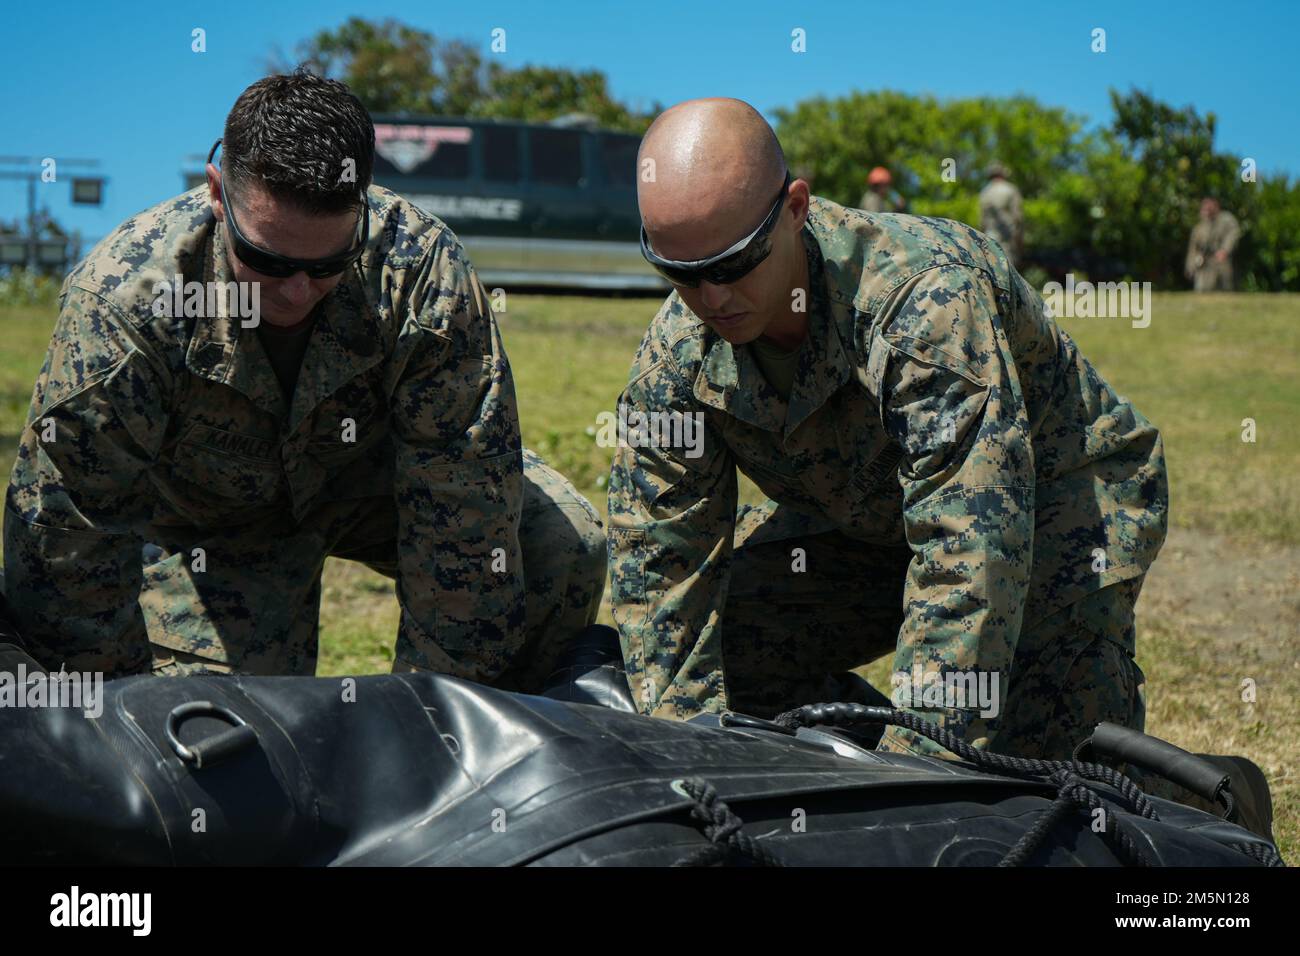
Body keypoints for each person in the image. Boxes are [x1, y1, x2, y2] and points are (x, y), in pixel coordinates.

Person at [3, 69, 605, 688]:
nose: (296, 292)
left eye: (327, 265)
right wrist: (118, 727)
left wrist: (442, 727)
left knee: (558, 541)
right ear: (217, 193)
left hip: (370, 488)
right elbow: (66, 535)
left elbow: (466, 508)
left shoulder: (422, 274)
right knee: (229, 738)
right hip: (209, 524)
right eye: (267, 260)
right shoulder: (126, 298)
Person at [610, 97, 1168, 760]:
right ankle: (846, 760)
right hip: (870, 521)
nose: (713, 300)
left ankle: (1207, 810)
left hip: (1058, 510)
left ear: (794, 210)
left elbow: (973, 547)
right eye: (681, 274)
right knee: (727, 644)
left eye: (734, 265)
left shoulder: (925, 304)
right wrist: (686, 756)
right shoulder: (674, 360)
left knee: (1041, 778)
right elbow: (661, 565)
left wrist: (915, 765)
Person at [1185, 197, 1241, 291]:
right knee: (1202, 289)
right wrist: (1190, 267)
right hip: (1204, 264)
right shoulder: (1199, 227)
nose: (1207, 209)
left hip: (1221, 262)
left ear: (1216, 206)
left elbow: (1233, 233)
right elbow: (1193, 248)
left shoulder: (1226, 219)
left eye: (1209, 206)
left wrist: (1225, 250)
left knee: (1224, 288)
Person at [978, 162, 1024, 267]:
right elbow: (1018, 218)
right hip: (1007, 241)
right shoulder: (1010, 190)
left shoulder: (985, 193)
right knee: (1008, 271)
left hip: (989, 240)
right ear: (1002, 174)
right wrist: (1020, 242)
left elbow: (982, 222)